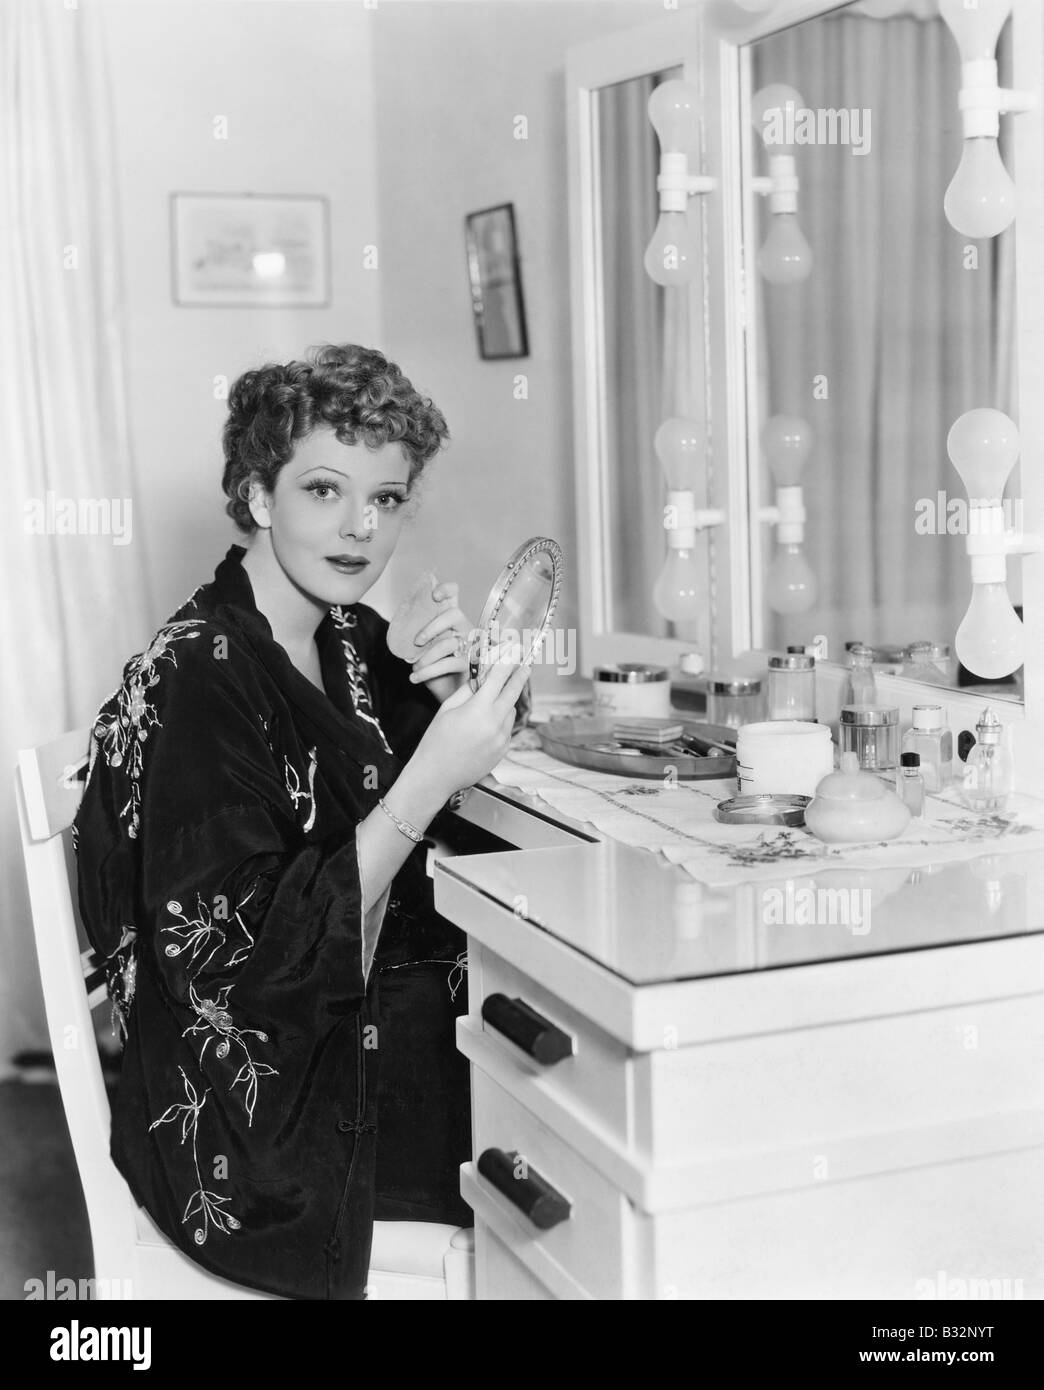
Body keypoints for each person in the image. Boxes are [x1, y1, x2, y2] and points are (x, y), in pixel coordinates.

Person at [73, 343, 530, 1300]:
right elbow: (248, 967)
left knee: (568, 1072)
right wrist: (429, 775)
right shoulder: (199, 675)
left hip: (358, 1035)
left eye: (388, 498)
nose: (362, 528)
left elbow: (378, 808)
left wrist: (438, 701)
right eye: (325, 490)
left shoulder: (345, 637)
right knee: (570, 1144)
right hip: (262, 1133)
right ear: (254, 494)